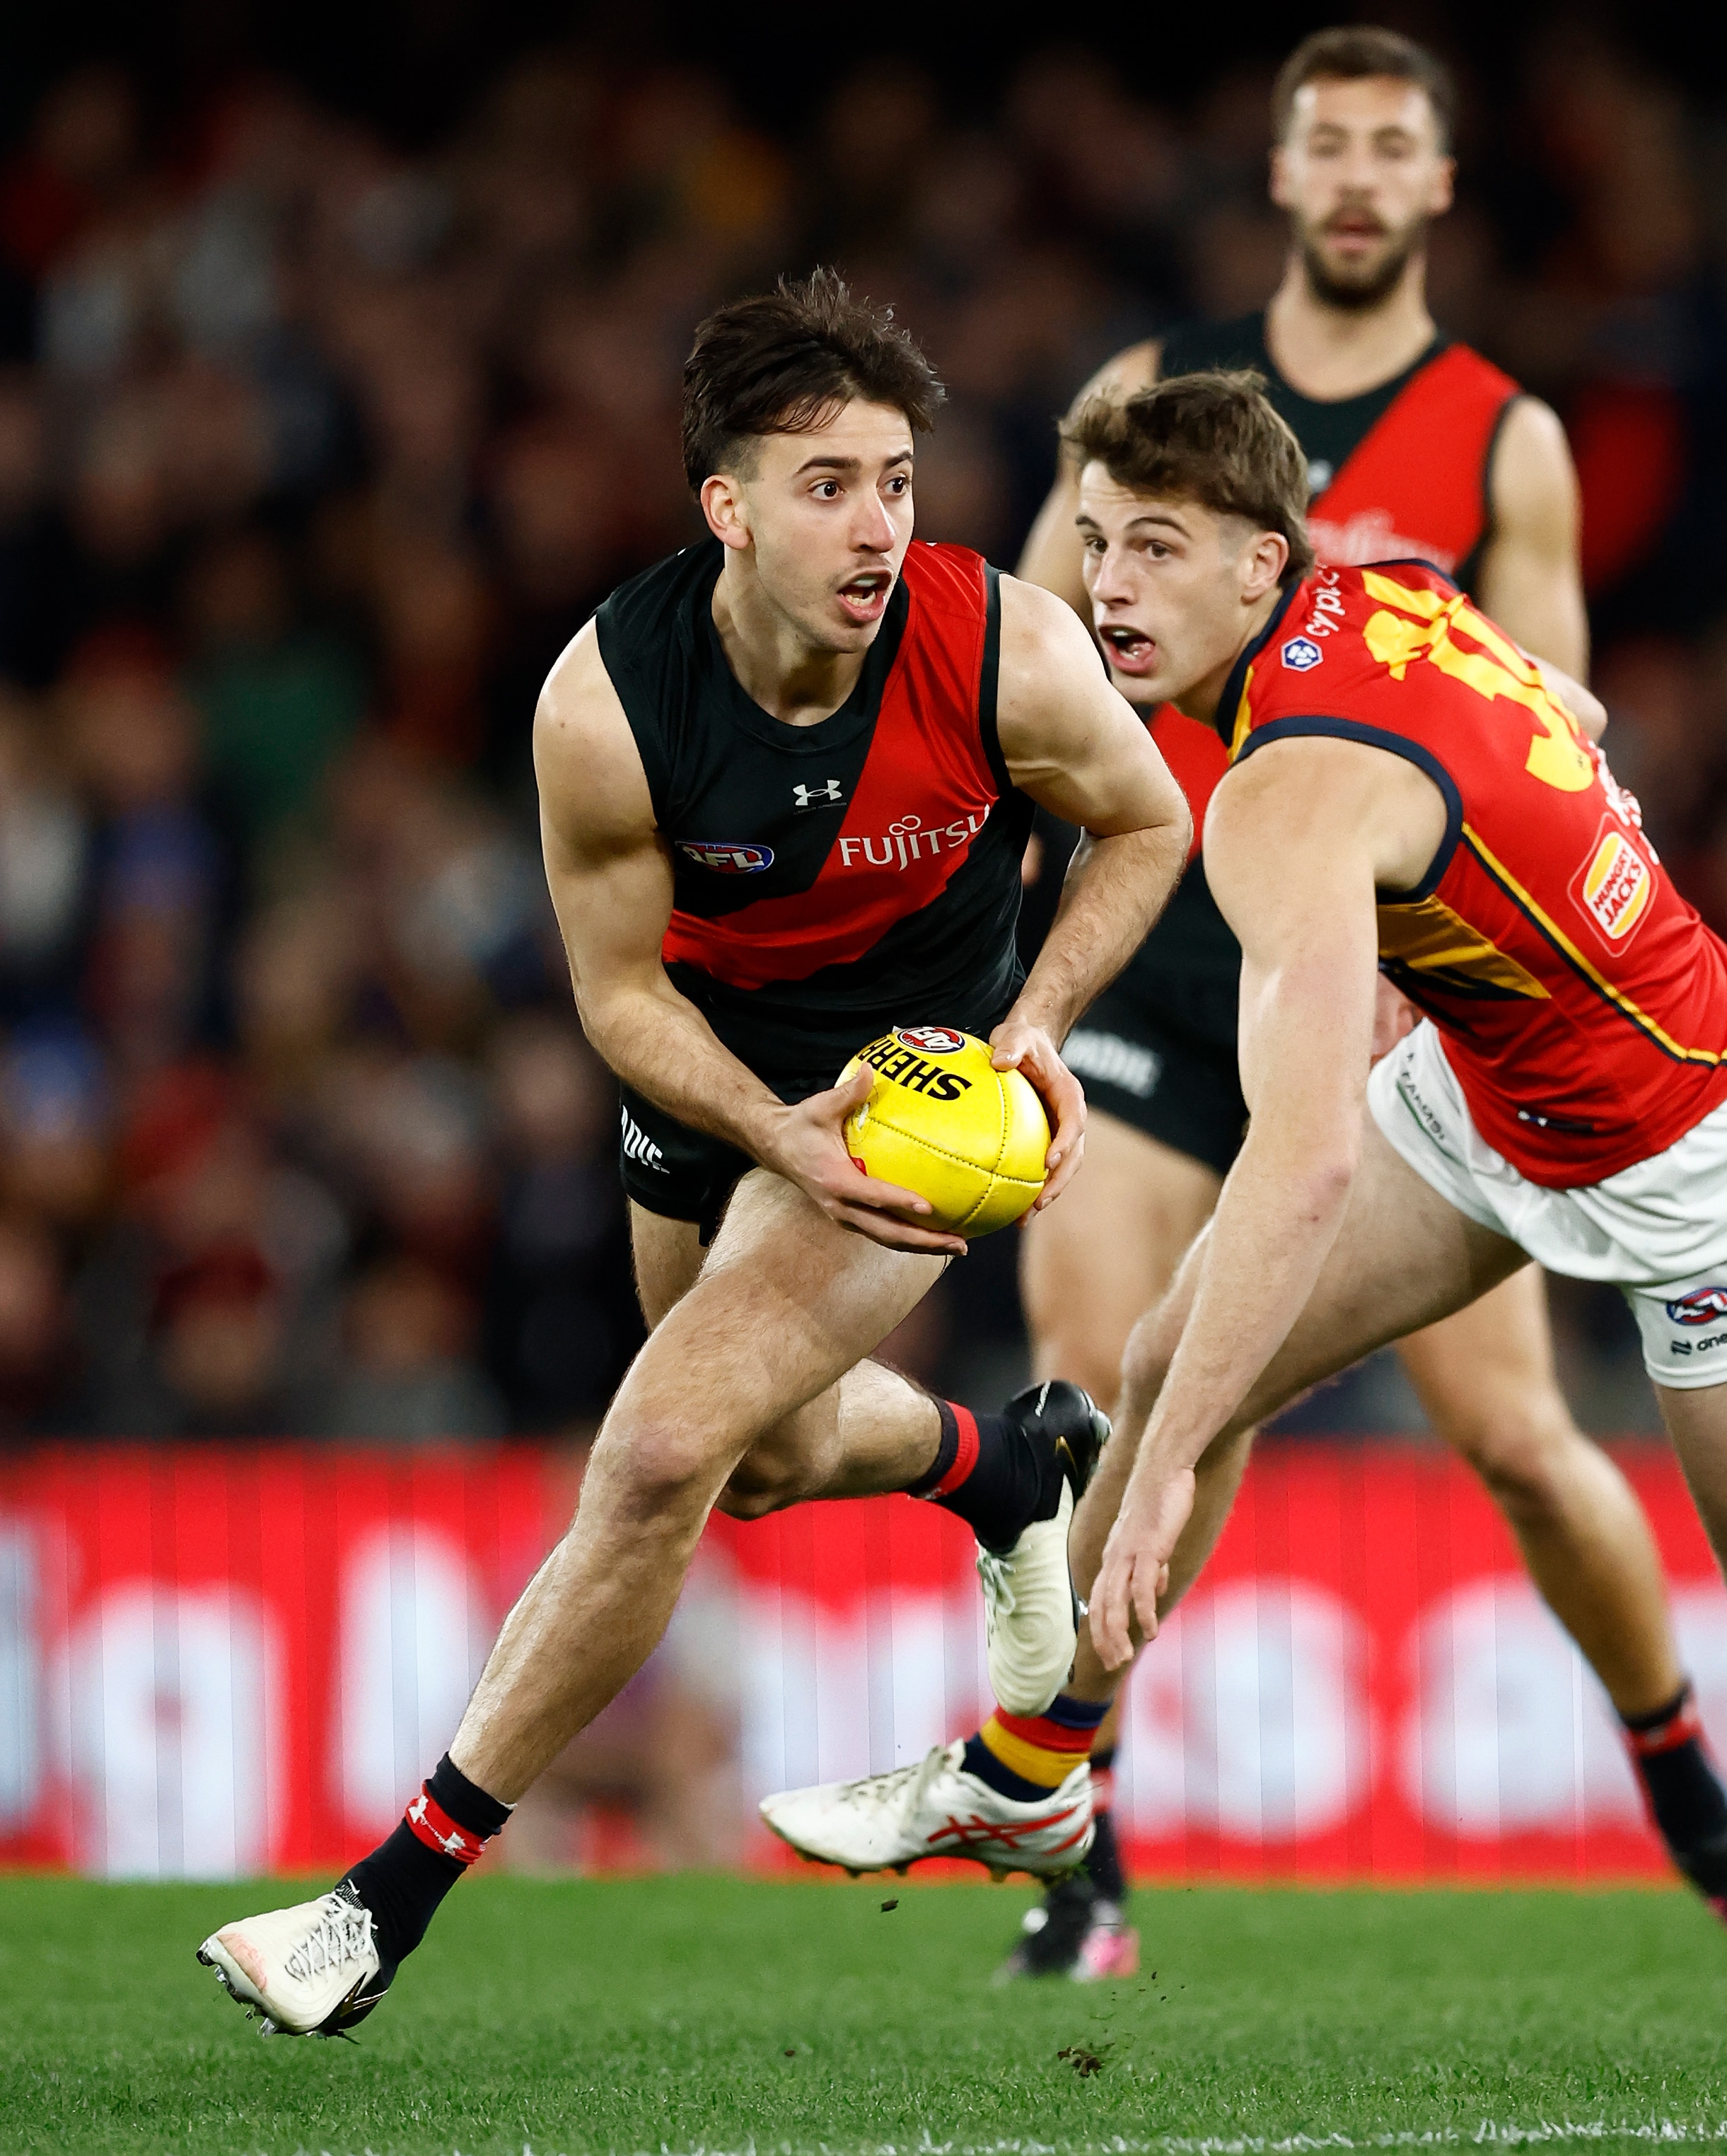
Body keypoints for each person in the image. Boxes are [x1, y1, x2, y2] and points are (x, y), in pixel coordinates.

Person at [762, 373, 1727, 2065]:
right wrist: (1486, 914)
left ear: (1265, 564)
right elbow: (1570, 709)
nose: (1112, 588)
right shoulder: (1389, 593)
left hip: (1698, 1143)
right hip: (1499, 1089)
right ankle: (1036, 1782)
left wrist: (1171, 1465)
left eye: (1161, 551)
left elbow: (1302, 1160)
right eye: (1104, 545)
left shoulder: (1276, 797)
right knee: (1160, 1343)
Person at [194, 271, 1192, 2039]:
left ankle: (380, 1904)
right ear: (726, 508)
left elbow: (1146, 817)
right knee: (760, 1462)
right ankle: (999, 1470)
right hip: (720, 1090)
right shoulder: (609, 702)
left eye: (896, 479)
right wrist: (762, 1130)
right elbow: (617, 995)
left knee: (658, 1448)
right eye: (827, 487)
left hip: (914, 1101)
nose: (876, 523)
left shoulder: (1001, 648)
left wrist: (1033, 1022)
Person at [997, 23, 1727, 1983]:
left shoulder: (1501, 435)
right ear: (1284, 177)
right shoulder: (1151, 400)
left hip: (1393, 980)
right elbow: (1032, 652)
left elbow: (1563, 715)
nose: (1364, 177)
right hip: (1170, 951)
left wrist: (1425, 806)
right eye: (1331, 146)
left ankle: (1701, 1816)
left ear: (1439, 188)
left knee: (1524, 1443)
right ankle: (1078, 1856)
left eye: (1399, 147)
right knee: (1106, 1380)